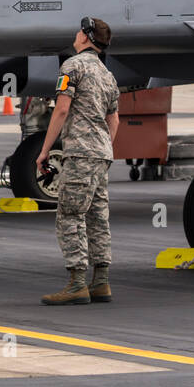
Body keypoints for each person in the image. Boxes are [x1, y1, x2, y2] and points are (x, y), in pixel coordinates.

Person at [36, 17, 120, 305]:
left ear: (85, 37)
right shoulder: (108, 74)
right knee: (98, 217)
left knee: (70, 215)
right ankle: (101, 283)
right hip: (101, 153)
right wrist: (105, 147)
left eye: (78, 31)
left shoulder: (72, 66)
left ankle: (76, 284)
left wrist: (45, 150)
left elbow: (61, 110)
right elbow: (114, 119)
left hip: (80, 153)